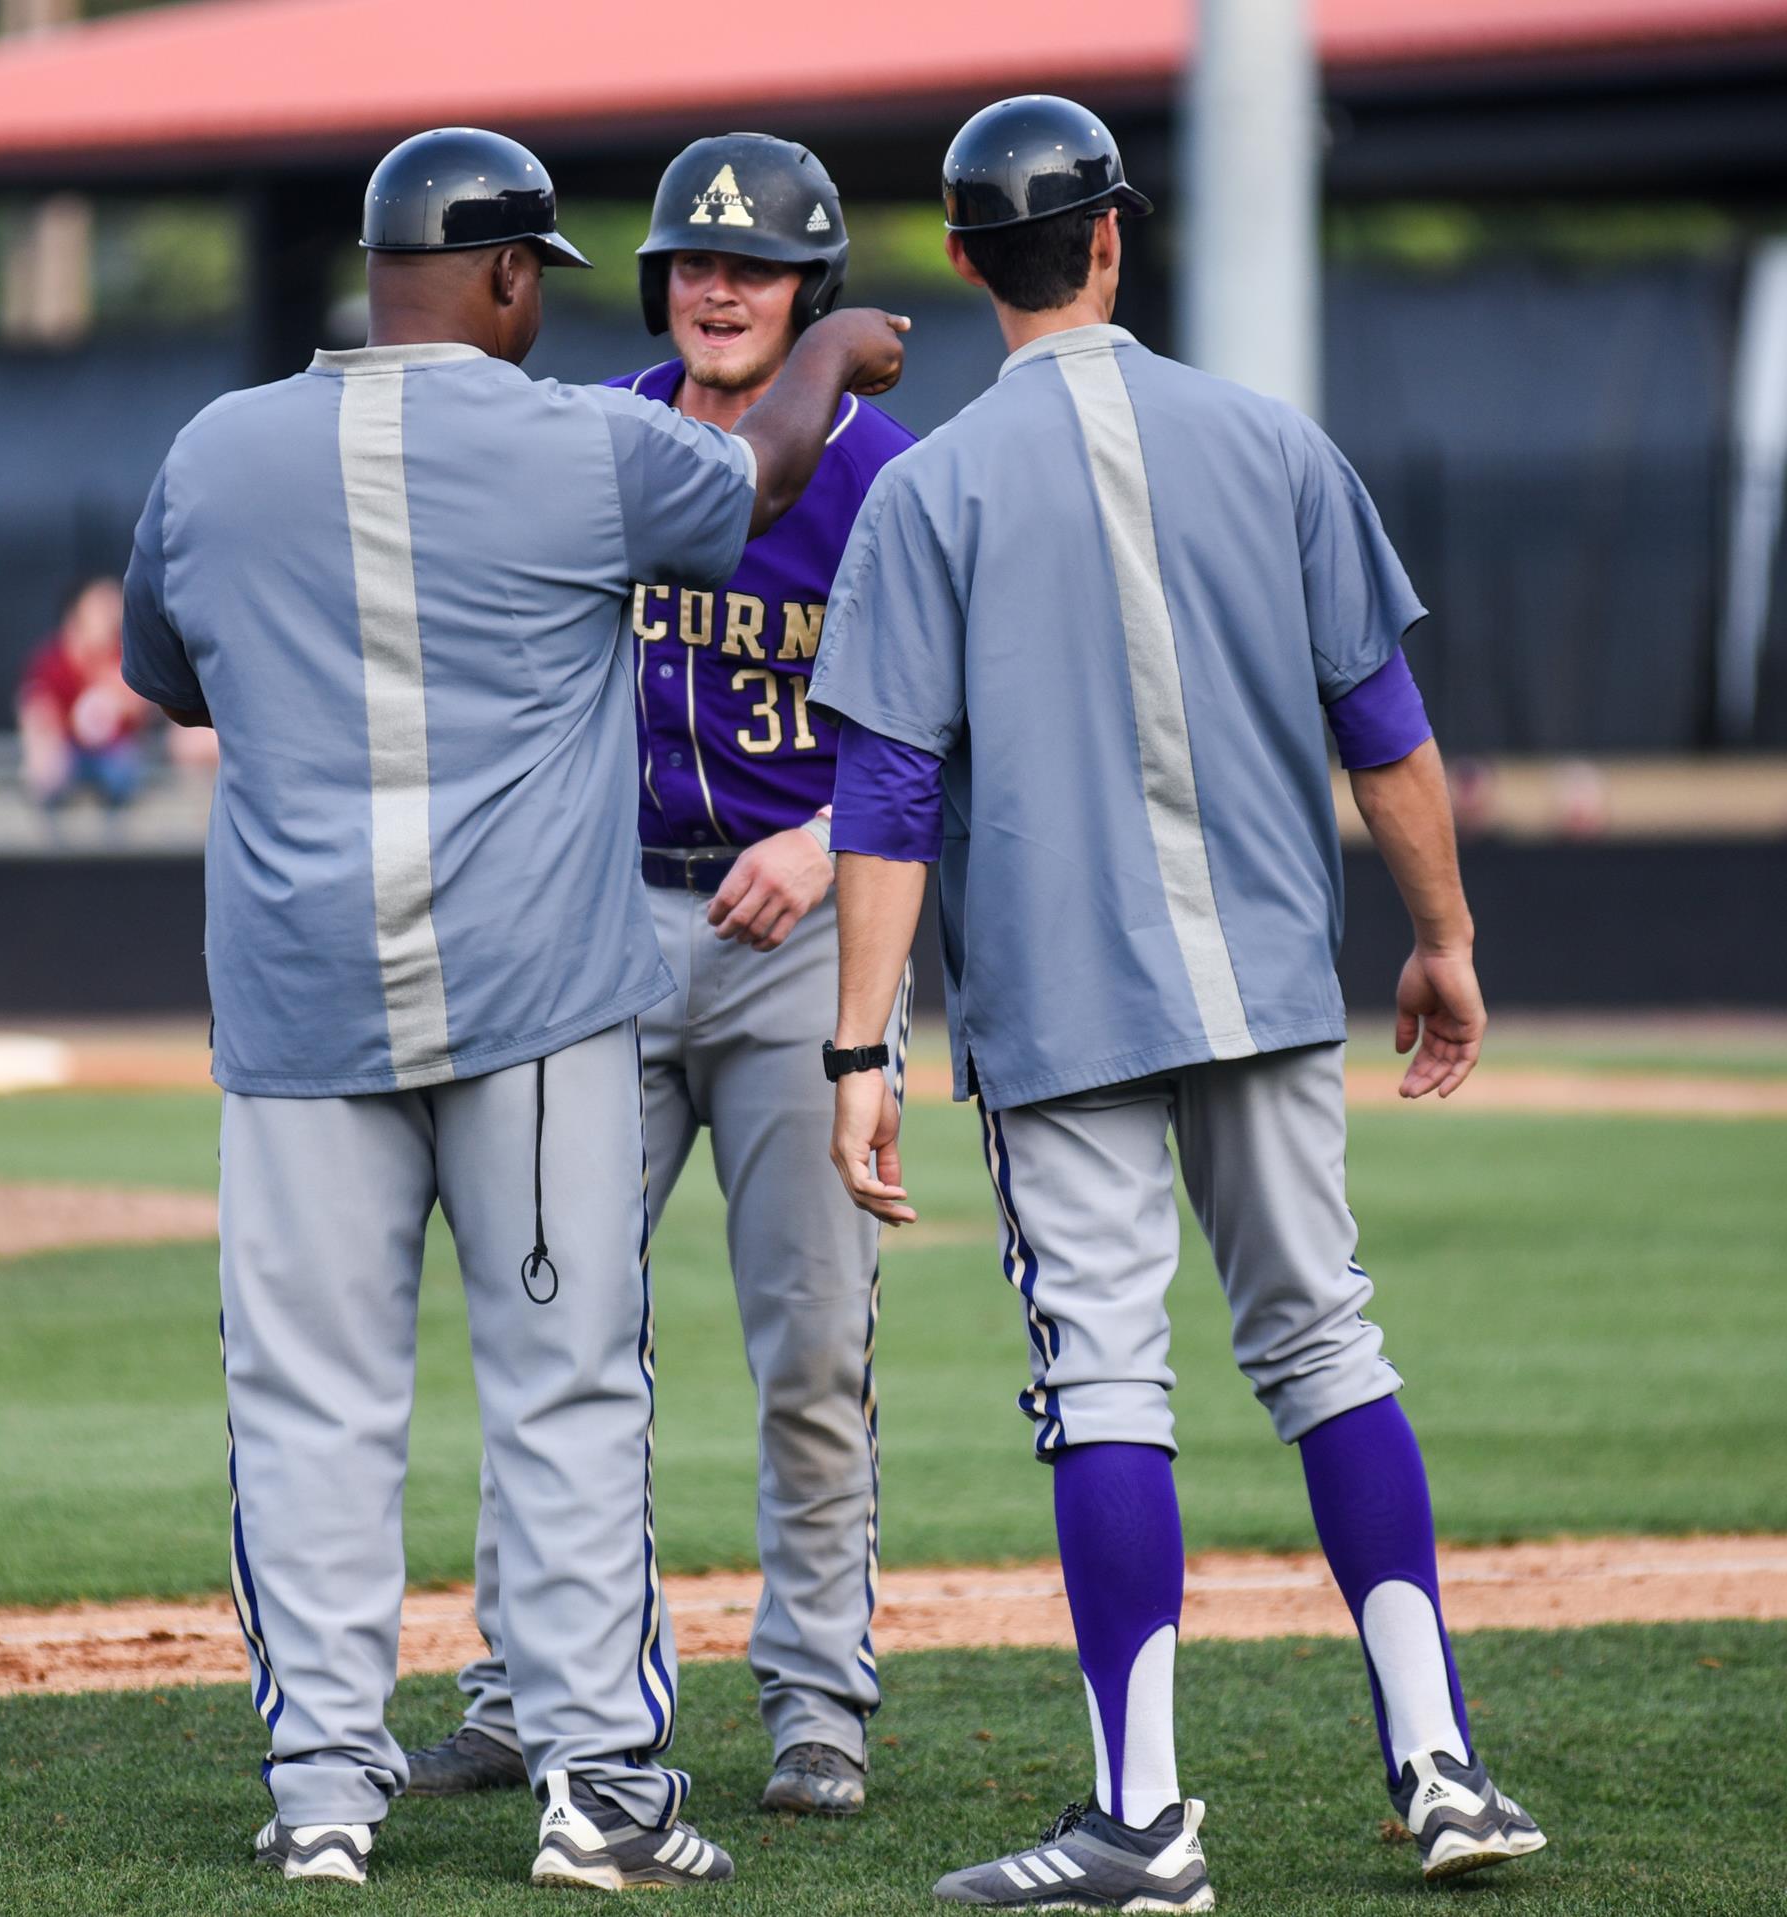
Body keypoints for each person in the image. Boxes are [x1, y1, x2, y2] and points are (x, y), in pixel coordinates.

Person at [119, 125, 906, 1892]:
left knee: (309, 1398)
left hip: (301, 1001)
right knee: (566, 1391)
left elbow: (165, 679)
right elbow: (767, 473)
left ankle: (324, 1788)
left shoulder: (213, 451)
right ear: (495, 278)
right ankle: (598, 1791)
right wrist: (844, 352)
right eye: (531, 281)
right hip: (535, 1001)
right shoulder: (579, 446)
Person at [809, 94, 1545, 1911]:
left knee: (1110, 1380)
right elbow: (1385, 729)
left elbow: (890, 802)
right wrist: (1444, 936)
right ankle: (1439, 1762)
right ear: (1116, 238)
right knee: (1327, 1343)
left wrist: (858, 1043)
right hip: (1275, 981)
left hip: (1063, 1009)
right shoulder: (1273, 440)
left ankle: (1144, 1823)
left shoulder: (930, 488)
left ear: (971, 264)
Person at [406, 133, 917, 1821]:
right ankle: (526, 1685)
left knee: (811, 1344)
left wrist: (835, 829)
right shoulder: (596, 441)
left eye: (754, 268)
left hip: (796, 954)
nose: (717, 287)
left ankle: (817, 1702)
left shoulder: (883, 475)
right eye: (694, 264)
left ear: (807, 291)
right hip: (599, 928)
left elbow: (958, 727)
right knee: (553, 1324)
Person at [16, 576, 150, 809]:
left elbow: (139, 708)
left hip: (113, 757)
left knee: (122, 772)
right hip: (68, 753)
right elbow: (36, 712)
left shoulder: (124, 661)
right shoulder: (53, 662)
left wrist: (113, 689)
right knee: (49, 772)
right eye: (100, 609)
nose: (109, 617)